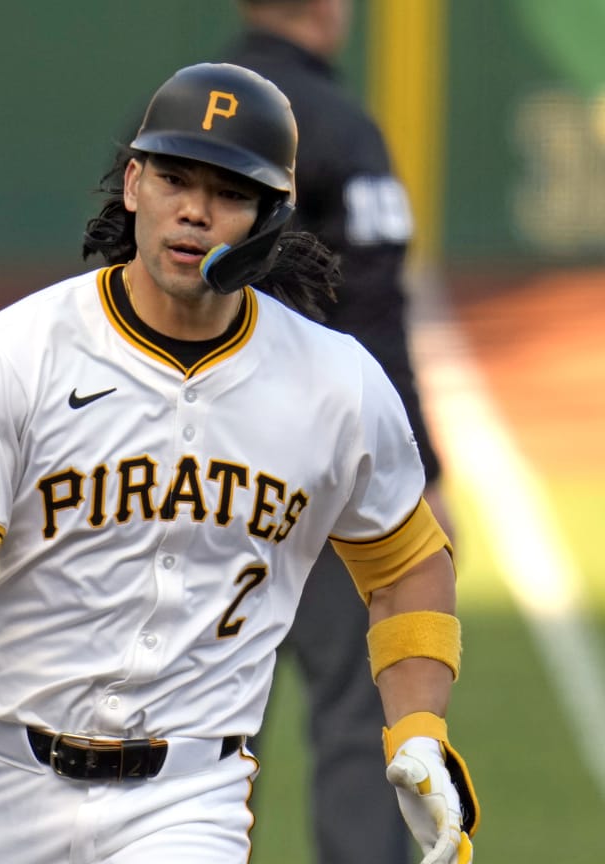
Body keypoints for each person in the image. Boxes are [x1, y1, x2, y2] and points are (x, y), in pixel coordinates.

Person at [0, 63, 479, 864]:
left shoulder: (335, 381)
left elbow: (408, 565)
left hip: (187, 799)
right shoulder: (15, 353)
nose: (194, 212)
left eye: (230, 192)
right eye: (174, 178)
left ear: (271, 219)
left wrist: (418, 728)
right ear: (133, 184)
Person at [221, 2, 452, 861]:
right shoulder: (340, 126)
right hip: (321, 476)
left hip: (189, 478)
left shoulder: (174, 116)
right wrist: (421, 475)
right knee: (361, 718)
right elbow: (375, 307)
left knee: (188, 729)